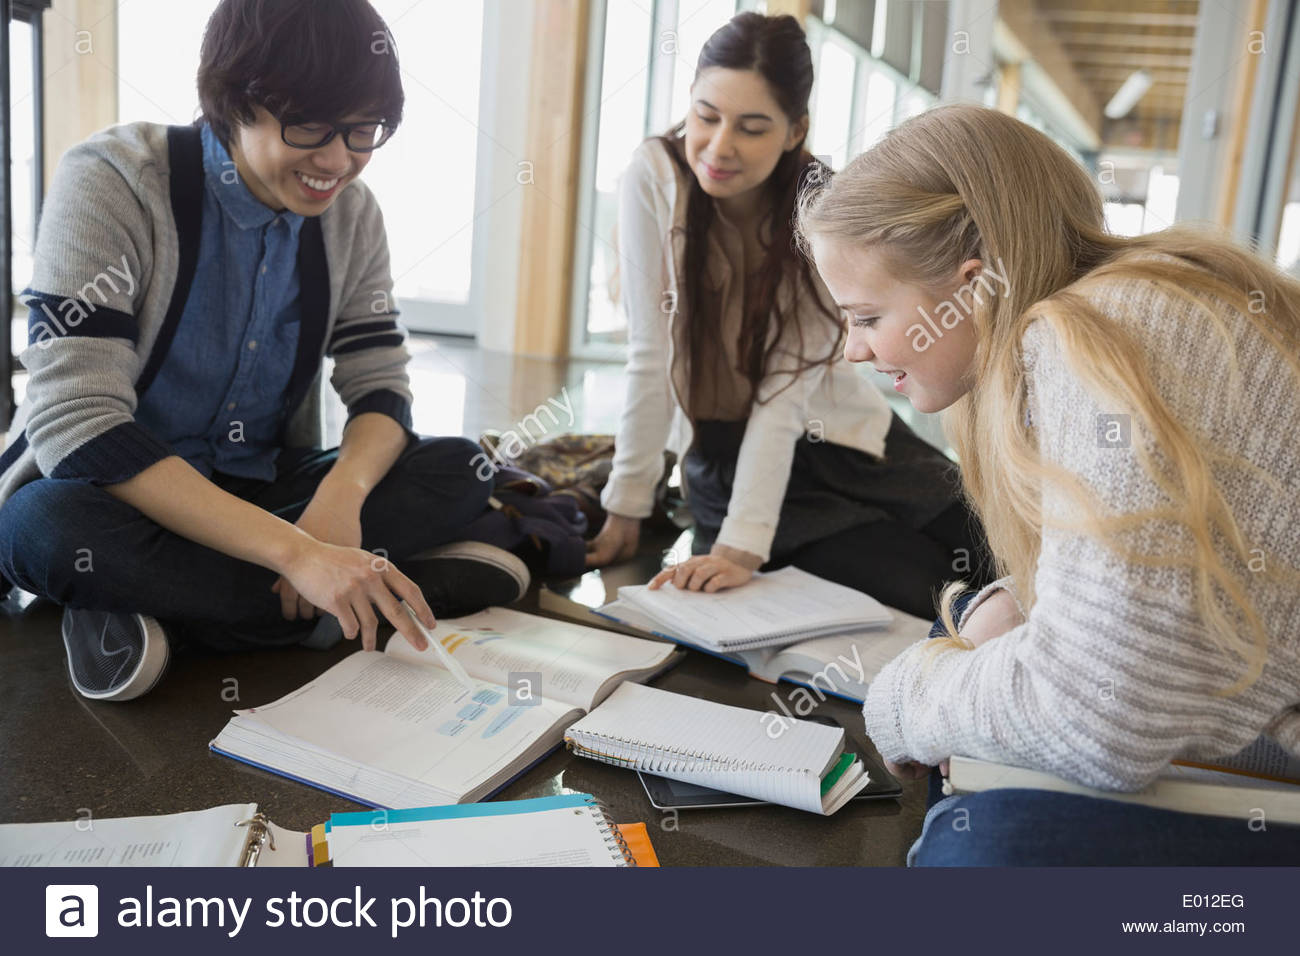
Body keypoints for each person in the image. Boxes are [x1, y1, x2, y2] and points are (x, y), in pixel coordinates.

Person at [797, 102, 1300, 864]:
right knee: (968, 628)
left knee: (974, 846)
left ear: (972, 286)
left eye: (866, 316)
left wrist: (901, 699)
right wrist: (1014, 610)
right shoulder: (1138, 301)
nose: (854, 351)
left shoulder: (1091, 340)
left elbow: (1098, 717)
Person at [0, 0, 528, 702]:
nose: (339, 160)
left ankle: (172, 618)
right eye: (310, 127)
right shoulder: (117, 178)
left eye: (364, 130)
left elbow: (381, 385)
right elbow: (78, 422)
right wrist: (299, 552)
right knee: (43, 528)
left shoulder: (352, 214)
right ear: (234, 100)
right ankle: (369, 599)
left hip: (260, 487)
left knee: (463, 463)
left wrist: (342, 497)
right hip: (121, 497)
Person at [585, 12, 991, 619]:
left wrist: (740, 551)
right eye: (705, 116)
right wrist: (632, 509)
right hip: (737, 463)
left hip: (844, 436)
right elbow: (652, 356)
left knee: (996, 550)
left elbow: (785, 392)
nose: (719, 148)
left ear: (794, 130)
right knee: (931, 590)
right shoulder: (655, 175)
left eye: (751, 128)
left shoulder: (817, 201)